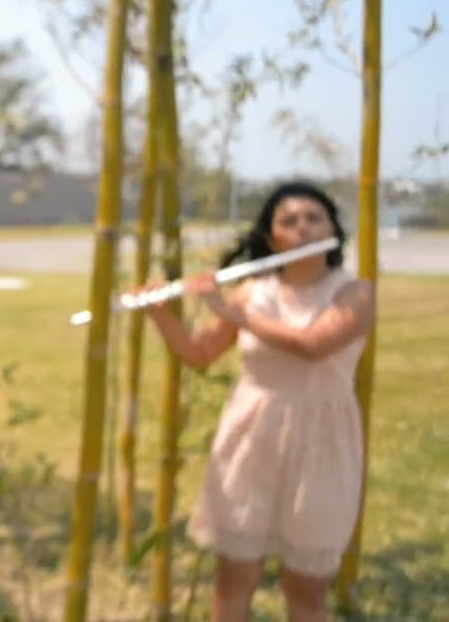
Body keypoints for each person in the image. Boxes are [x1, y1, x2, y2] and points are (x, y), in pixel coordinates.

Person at [139, 180, 375, 622]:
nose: (303, 227)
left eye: (313, 217)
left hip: (322, 444)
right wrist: (160, 313)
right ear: (272, 237)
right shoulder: (253, 292)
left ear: (332, 229)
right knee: (232, 580)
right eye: (289, 221)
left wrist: (233, 312)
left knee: (306, 591)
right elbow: (199, 353)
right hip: (250, 439)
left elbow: (311, 345)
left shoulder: (355, 293)